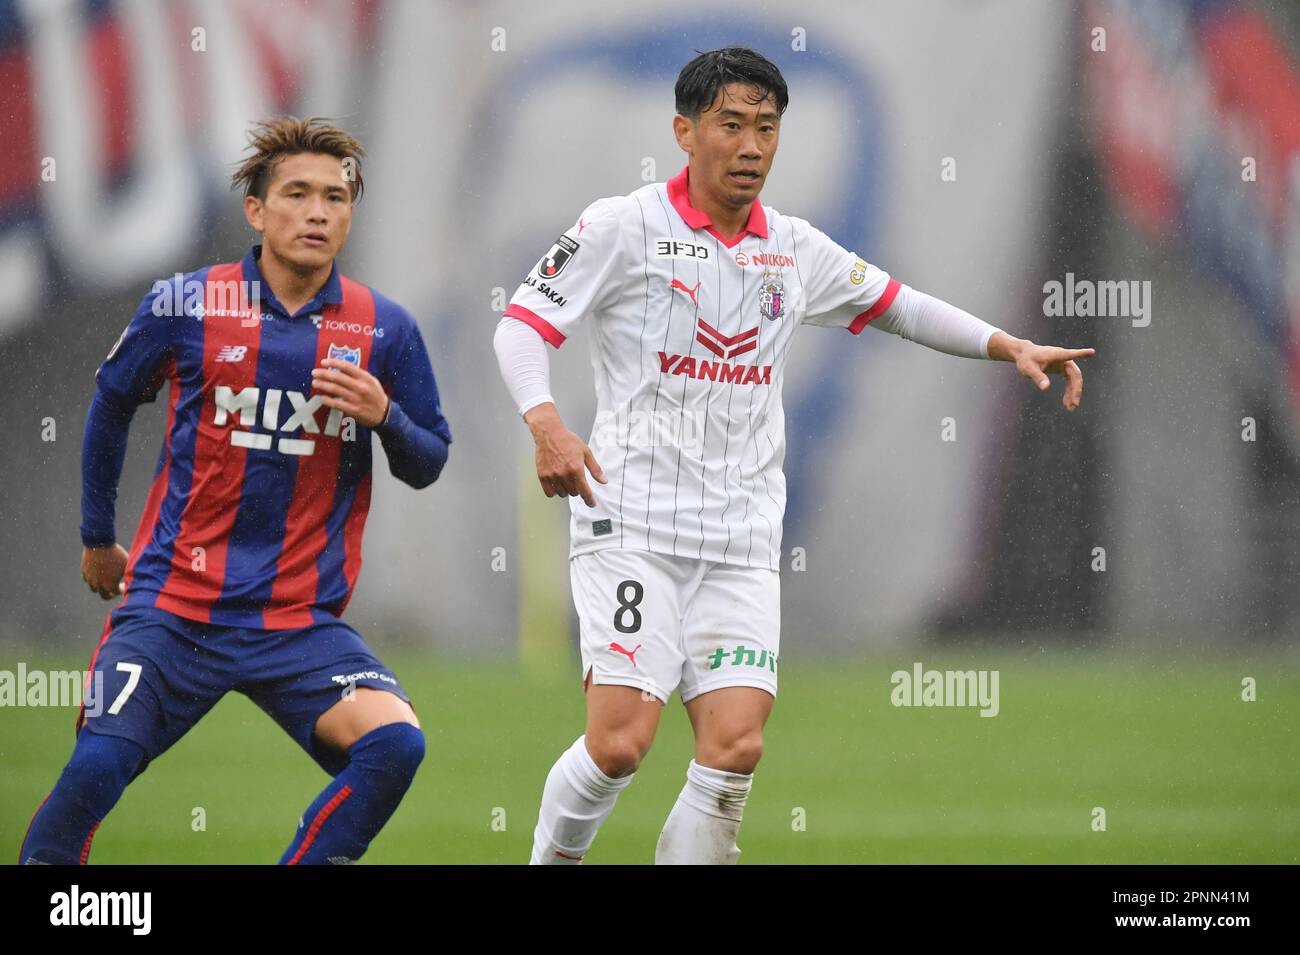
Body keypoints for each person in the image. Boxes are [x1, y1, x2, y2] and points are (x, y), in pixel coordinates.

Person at [494, 48, 1094, 864]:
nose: (750, 145)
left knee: (735, 746)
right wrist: (547, 422)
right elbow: (523, 323)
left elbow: (899, 306)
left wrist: (1007, 345)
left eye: (766, 128)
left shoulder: (796, 248)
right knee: (620, 744)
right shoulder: (622, 226)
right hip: (631, 523)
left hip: (740, 542)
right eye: (731, 125)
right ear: (685, 131)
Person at [20, 116, 452, 865]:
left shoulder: (386, 330)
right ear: (256, 211)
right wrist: (97, 536)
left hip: (297, 621)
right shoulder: (185, 305)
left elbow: (429, 459)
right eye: (298, 194)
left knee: (395, 744)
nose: (318, 212)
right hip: (175, 608)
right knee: (95, 766)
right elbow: (112, 401)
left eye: (336, 197)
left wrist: (385, 416)